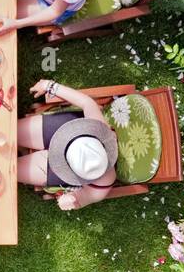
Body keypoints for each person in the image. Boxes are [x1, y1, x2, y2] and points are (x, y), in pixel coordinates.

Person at [17, 80, 119, 210]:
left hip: (60, 168)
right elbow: (87, 102)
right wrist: (49, 85)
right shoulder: (98, 128)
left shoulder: (103, 182)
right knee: (5, 133)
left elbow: (83, 199)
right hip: (63, 129)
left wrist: (71, 201)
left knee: (6, 169)